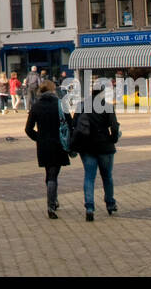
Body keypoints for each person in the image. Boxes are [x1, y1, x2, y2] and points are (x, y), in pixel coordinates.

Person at [70, 78, 120, 221]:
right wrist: (113, 139)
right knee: (107, 177)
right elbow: (114, 127)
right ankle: (110, 204)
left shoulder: (82, 105)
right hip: (105, 146)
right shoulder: (108, 106)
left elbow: (74, 125)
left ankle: (90, 207)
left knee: (89, 177)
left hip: (87, 147)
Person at [25, 80, 72, 219]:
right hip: (58, 143)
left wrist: (38, 138)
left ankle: (53, 200)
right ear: (52, 90)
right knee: (53, 174)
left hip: (44, 145)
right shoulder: (60, 105)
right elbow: (70, 123)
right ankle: (51, 204)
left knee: (49, 173)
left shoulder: (36, 106)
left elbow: (28, 129)